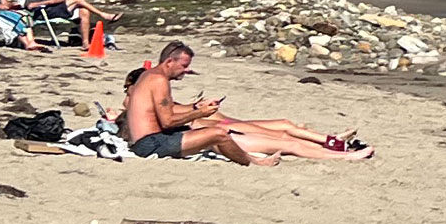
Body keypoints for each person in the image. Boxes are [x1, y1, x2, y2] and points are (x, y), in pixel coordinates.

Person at [124, 41, 370, 163]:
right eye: (184, 66)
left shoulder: (151, 77)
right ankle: (256, 162)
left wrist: (197, 109)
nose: (186, 71)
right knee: (219, 134)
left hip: (152, 139)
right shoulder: (158, 80)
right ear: (170, 62)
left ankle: (336, 148)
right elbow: (167, 120)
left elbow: (163, 114)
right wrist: (197, 113)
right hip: (151, 144)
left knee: (219, 132)